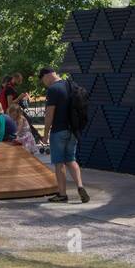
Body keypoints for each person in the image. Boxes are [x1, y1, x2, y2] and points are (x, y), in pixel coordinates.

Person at [40, 67, 88, 203]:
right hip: (73, 130)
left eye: (43, 80)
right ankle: (80, 186)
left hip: (59, 131)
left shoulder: (53, 90)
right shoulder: (71, 85)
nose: (45, 84)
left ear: (46, 76)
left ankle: (62, 194)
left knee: (59, 162)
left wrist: (45, 134)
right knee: (71, 159)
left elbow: (49, 114)